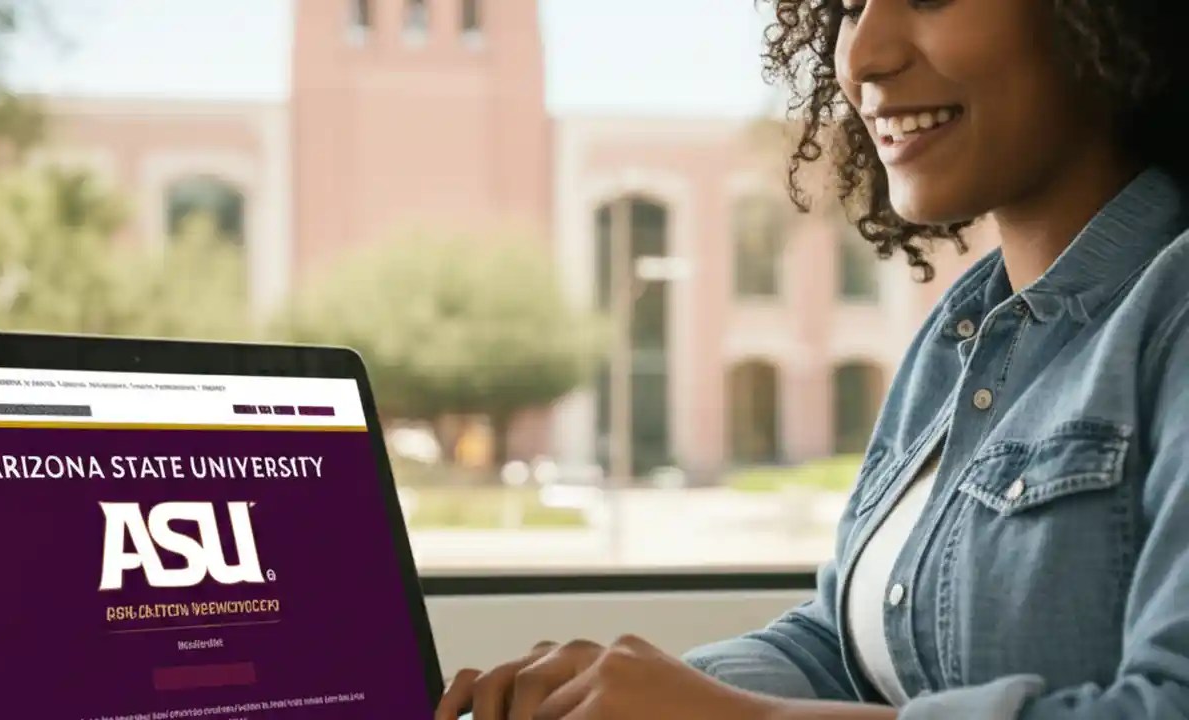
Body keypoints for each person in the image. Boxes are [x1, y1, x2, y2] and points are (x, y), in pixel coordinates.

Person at [436, 0, 1189, 715]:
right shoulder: (958, 335)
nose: (861, 54)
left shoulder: (1172, 313)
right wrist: (625, 692)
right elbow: (847, 651)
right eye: (850, 7)